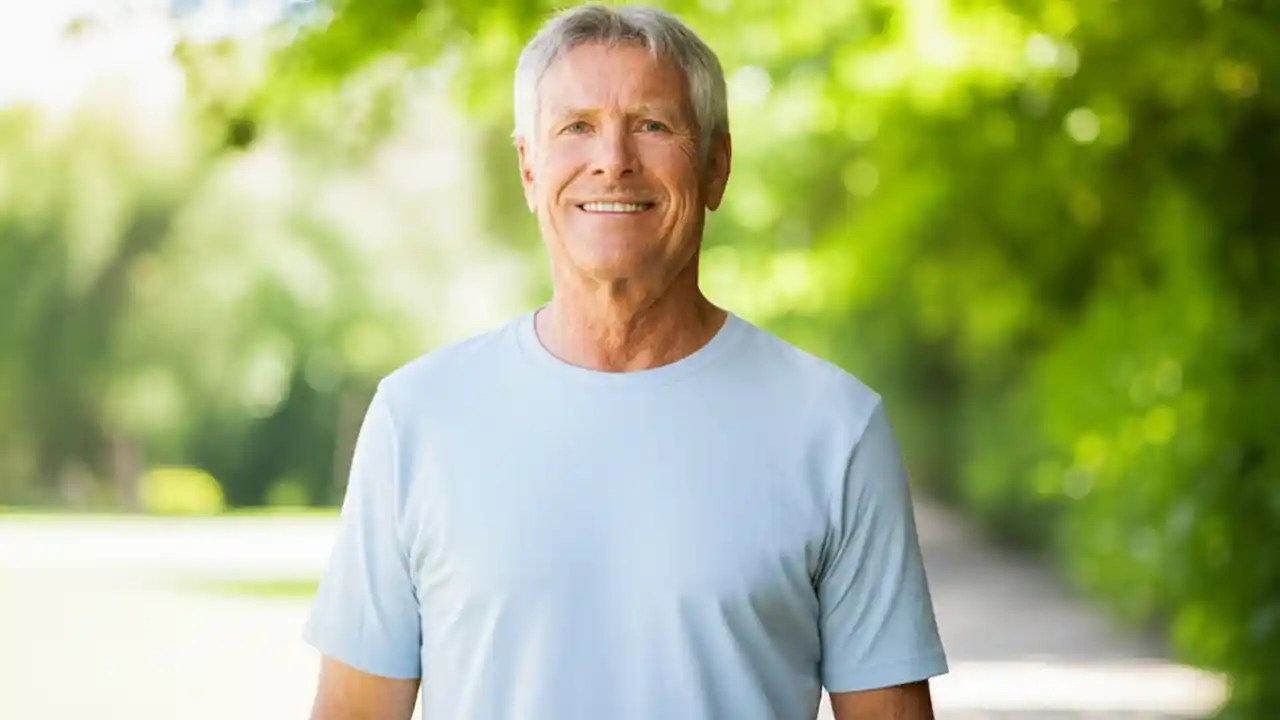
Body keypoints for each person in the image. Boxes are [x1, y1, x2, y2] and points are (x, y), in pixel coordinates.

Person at [302, 4, 948, 719]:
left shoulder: (835, 429)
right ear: (528, 167)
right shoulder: (417, 418)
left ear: (716, 168)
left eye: (652, 125)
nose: (612, 159)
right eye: (575, 127)